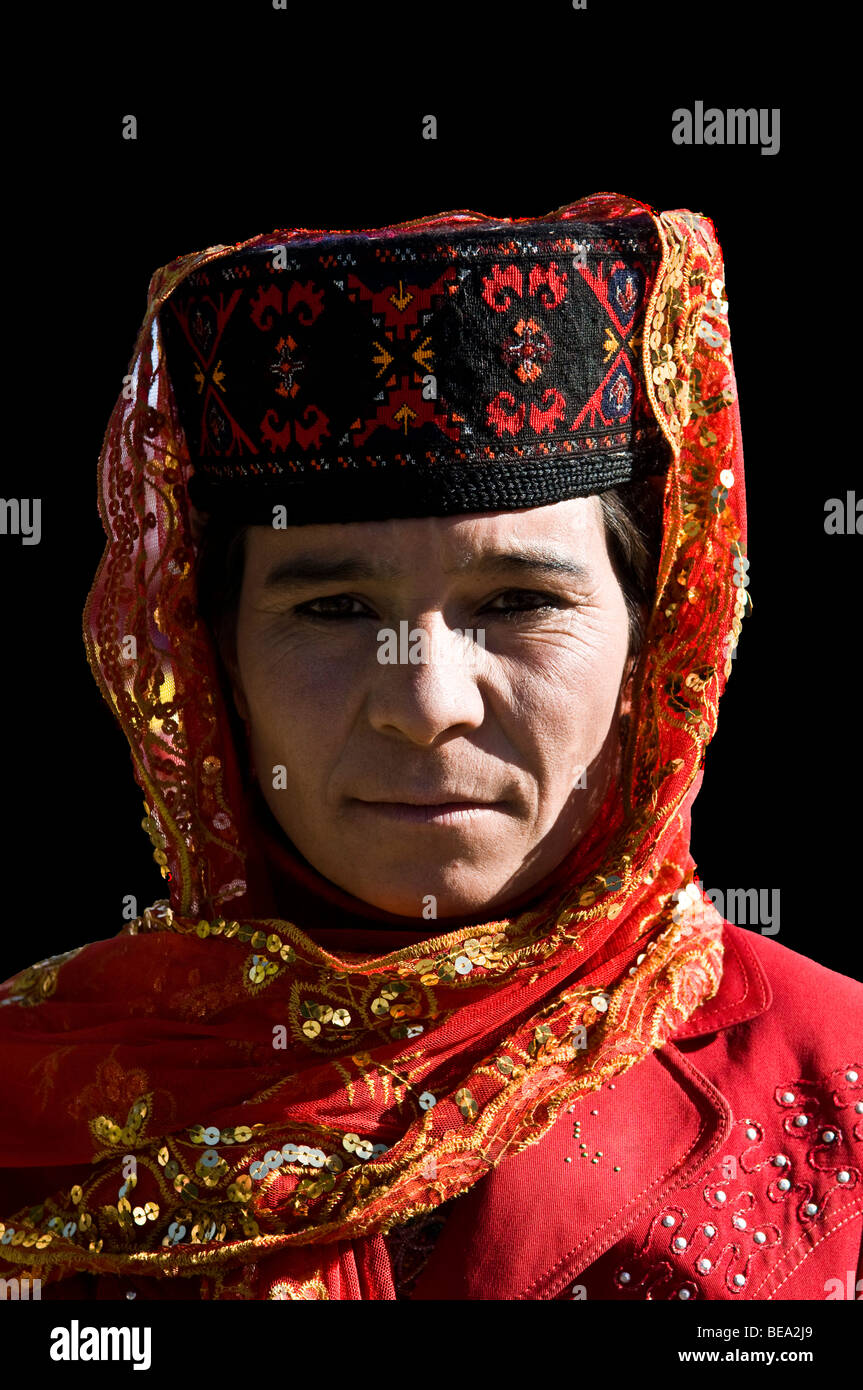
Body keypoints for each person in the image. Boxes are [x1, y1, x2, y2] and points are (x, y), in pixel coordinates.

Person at [0, 193, 860, 1301]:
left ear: (656, 636)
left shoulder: (836, 1094)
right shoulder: (40, 1112)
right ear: (212, 662)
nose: (424, 701)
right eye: (331, 610)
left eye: (514, 599)